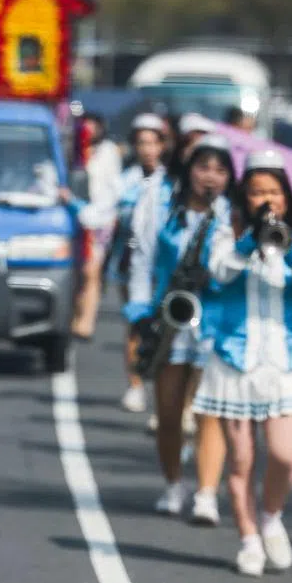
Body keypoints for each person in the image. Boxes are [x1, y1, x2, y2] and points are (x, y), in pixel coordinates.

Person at [192, 149, 292, 573]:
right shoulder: (224, 234)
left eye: (274, 191)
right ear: (244, 197)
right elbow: (218, 273)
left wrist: (286, 249)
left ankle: (271, 517)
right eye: (257, 192)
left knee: (285, 456)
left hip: (286, 362)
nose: (266, 199)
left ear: (286, 197)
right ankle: (249, 538)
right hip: (235, 360)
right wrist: (250, 240)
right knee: (242, 460)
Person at [126, 134, 233, 515]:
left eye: (220, 169)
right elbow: (142, 260)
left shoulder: (231, 216)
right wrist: (138, 310)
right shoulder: (162, 207)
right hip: (170, 320)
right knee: (169, 412)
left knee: (209, 410)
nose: (211, 176)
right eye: (203, 167)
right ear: (188, 171)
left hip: (215, 323)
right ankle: (174, 484)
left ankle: (206, 494)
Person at [114, 113, 168, 413]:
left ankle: (164, 394)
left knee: (164, 329)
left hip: (164, 265)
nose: (147, 149)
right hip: (130, 263)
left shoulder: (173, 181)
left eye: (153, 142)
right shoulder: (125, 180)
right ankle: (135, 385)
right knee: (136, 324)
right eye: (141, 142)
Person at [70, 113, 123, 340]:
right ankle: (74, 313)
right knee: (76, 271)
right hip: (73, 217)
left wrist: (107, 213)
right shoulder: (71, 151)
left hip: (100, 219)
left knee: (91, 271)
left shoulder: (108, 152)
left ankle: (87, 321)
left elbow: (113, 188)